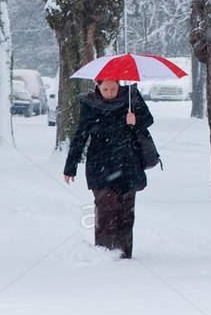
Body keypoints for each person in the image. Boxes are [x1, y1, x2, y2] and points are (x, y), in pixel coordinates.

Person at [63, 78, 156, 259]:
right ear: (97, 87)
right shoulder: (90, 103)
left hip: (129, 162)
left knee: (126, 212)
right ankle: (105, 254)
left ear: (118, 84)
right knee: (106, 210)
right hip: (101, 164)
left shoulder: (131, 97)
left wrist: (135, 119)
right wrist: (70, 166)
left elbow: (148, 120)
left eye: (113, 88)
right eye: (105, 89)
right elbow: (81, 135)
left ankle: (124, 254)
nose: (110, 92)